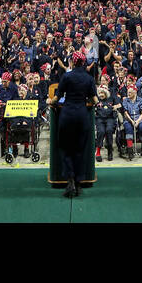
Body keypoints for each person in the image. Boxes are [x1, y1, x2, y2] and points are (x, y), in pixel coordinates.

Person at [53, 50, 95, 197]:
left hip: (67, 116)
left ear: (72, 61)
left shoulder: (67, 76)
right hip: (82, 116)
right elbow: (94, 100)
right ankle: (78, 182)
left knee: (66, 149)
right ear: (83, 63)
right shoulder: (89, 78)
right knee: (79, 150)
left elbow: (56, 98)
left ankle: (70, 180)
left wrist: (49, 102)